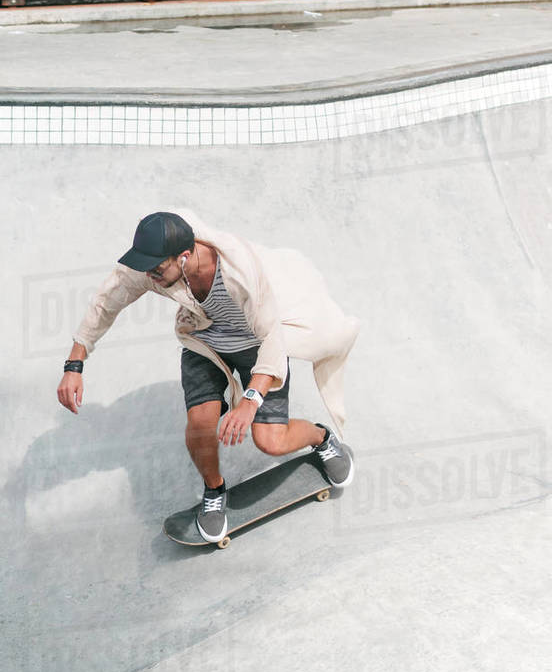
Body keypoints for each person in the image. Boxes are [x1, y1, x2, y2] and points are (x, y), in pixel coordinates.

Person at [57, 210, 358, 543]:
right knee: (200, 425)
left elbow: (273, 338)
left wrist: (249, 401)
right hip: (204, 343)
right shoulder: (157, 263)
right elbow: (107, 301)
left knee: (270, 441)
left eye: (158, 271)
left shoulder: (240, 272)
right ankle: (214, 491)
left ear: (184, 257)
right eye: (148, 270)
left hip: (258, 346)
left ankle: (322, 438)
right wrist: (75, 363)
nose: (151, 278)